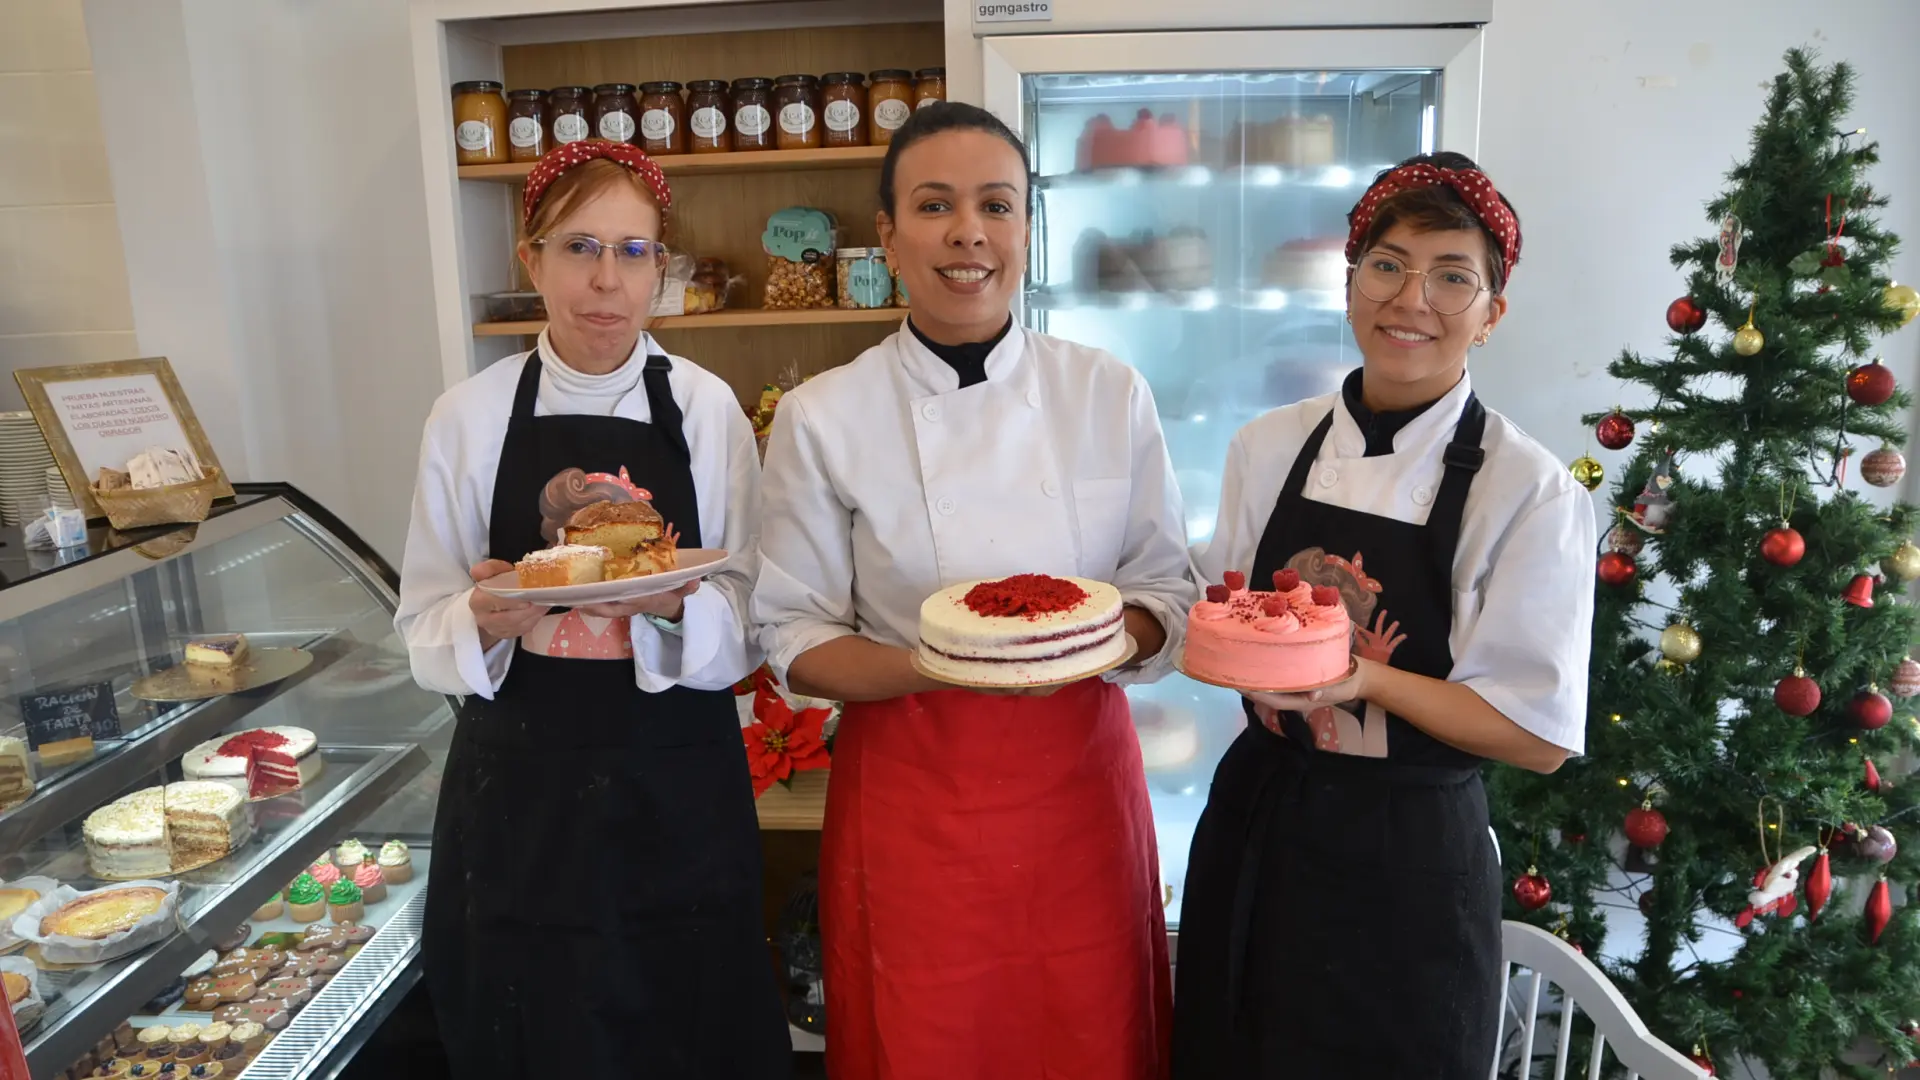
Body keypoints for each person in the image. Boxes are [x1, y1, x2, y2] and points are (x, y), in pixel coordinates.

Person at [751, 103, 1195, 1080]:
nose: (968, 233)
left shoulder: (1108, 392)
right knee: (927, 1036)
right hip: (913, 797)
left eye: (996, 205)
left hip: (1080, 796)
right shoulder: (825, 416)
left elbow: (1167, 592)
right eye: (933, 205)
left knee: (1089, 1033)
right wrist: (946, 661)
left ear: (1027, 228)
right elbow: (793, 635)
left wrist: (1075, 640)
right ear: (887, 236)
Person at [1171, 152, 1593, 1078]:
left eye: (1452, 277)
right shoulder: (1268, 445)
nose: (1412, 300)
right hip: (1258, 817)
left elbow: (1537, 737)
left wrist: (1362, 678)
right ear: (1351, 282)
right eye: (1388, 265)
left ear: (1492, 313)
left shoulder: (1530, 491)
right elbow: (1216, 609)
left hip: (1409, 854)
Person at [396, 140, 789, 1078]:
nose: (606, 281)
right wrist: (483, 619)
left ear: (660, 269)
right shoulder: (468, 415)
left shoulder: (705, 409)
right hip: (519, 796)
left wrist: (670, 612)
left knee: (692, 1030)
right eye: (578, 247)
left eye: (632, 251)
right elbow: (423, 623)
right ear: (530, 261)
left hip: (678, 787)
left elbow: (750, 609)